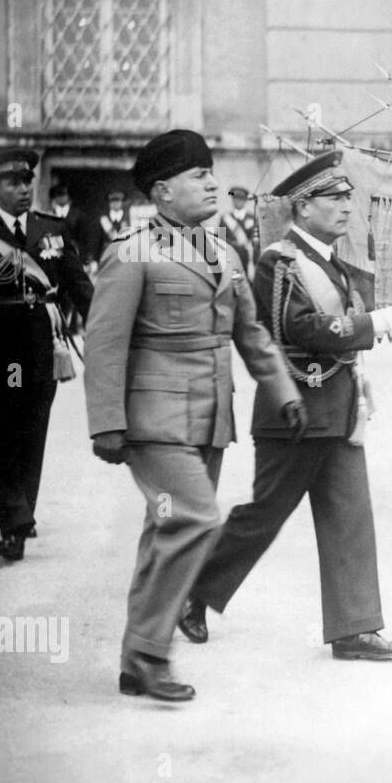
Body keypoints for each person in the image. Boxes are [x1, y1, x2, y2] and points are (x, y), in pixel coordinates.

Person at [178, 150, 392, 657]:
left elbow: (334, 327)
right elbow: (298, 328)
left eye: (347, 199)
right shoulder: (278, 261)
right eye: (334, 199)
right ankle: (190, 591)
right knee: (263, 517)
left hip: (336, 407)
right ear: (303, 207)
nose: (345, 208)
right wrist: (375, 324)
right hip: (294, 411)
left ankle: (354, 628)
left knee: (350, 516)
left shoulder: (331, 263)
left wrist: (373, 331)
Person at [83, 129, 303, 701]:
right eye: (196, 176)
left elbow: (250, 333)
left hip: (208, 421)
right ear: (161, 192)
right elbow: (105, 342)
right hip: (153, 423)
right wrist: (105, 421)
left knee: (166, 528)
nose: (210, 183)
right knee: (196, 519)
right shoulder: (130, 254)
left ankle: (135, 661)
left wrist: (282, 389)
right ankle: (154, 653)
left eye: (210, 173)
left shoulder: (225, 254)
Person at [0, 150, 93, 561]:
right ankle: (13, 521)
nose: (24, 189)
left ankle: (22, 511)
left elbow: (79, 287)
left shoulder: (52, 230)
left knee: (30, 432)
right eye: (14, 183)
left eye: (27, 181)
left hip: (42, 348)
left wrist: (104, 333)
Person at [218, 185, 260, 275]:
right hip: (232, 258)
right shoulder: (225, 218)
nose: (238, 202)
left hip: (250, 260)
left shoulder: (253, 218)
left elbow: (257, 239)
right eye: (235, 199)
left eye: (241, 199)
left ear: (245, 201)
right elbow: (220, 240)